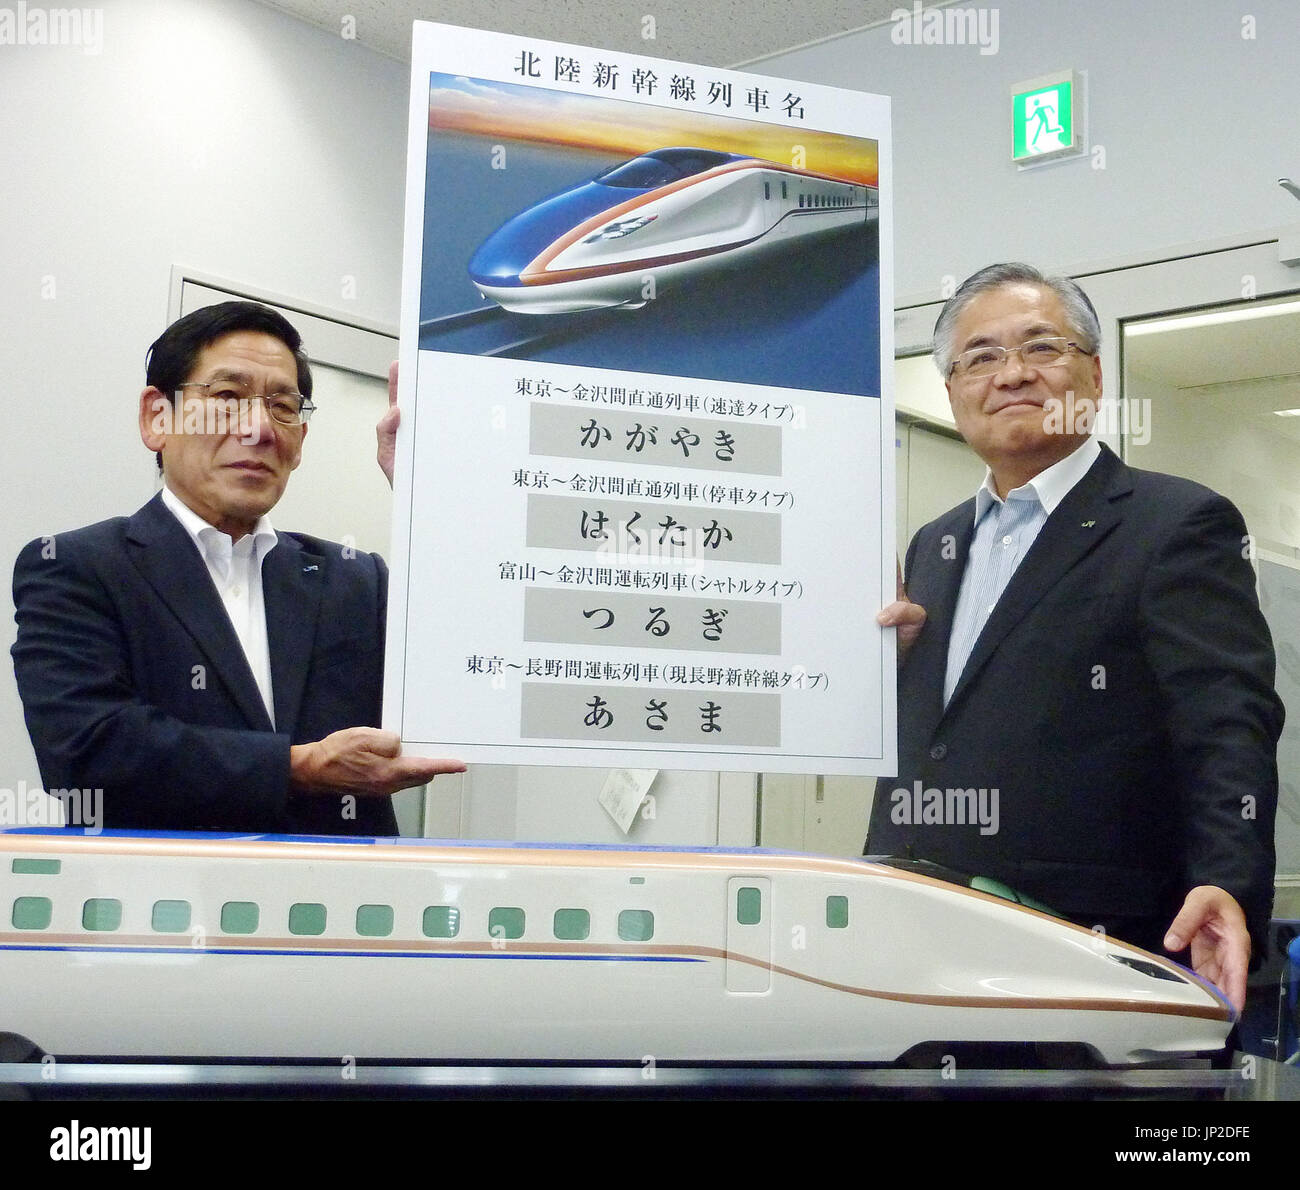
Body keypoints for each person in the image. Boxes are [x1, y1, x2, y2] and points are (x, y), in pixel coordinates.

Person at [870, 263, 1282, 1012]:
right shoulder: (936, 544)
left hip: (1095, 952)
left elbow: (1227, 725)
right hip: (916, 942)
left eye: (1042, 348)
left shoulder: (1175, 523)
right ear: (954, 389)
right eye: (981, 357)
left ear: (1093, 376)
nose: (1013, 374)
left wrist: (1226, 877)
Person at [11, 301, 462, 835]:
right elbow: (88, 753)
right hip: (161, 906)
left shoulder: (359, 580)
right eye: (227, 397)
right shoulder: (77, 567)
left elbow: (472, 677)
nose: (260, 429)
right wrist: (300, 768)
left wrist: (428, 505)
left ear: (300, 441)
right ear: (157, 418)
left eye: (284, 406)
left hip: (352, 907)